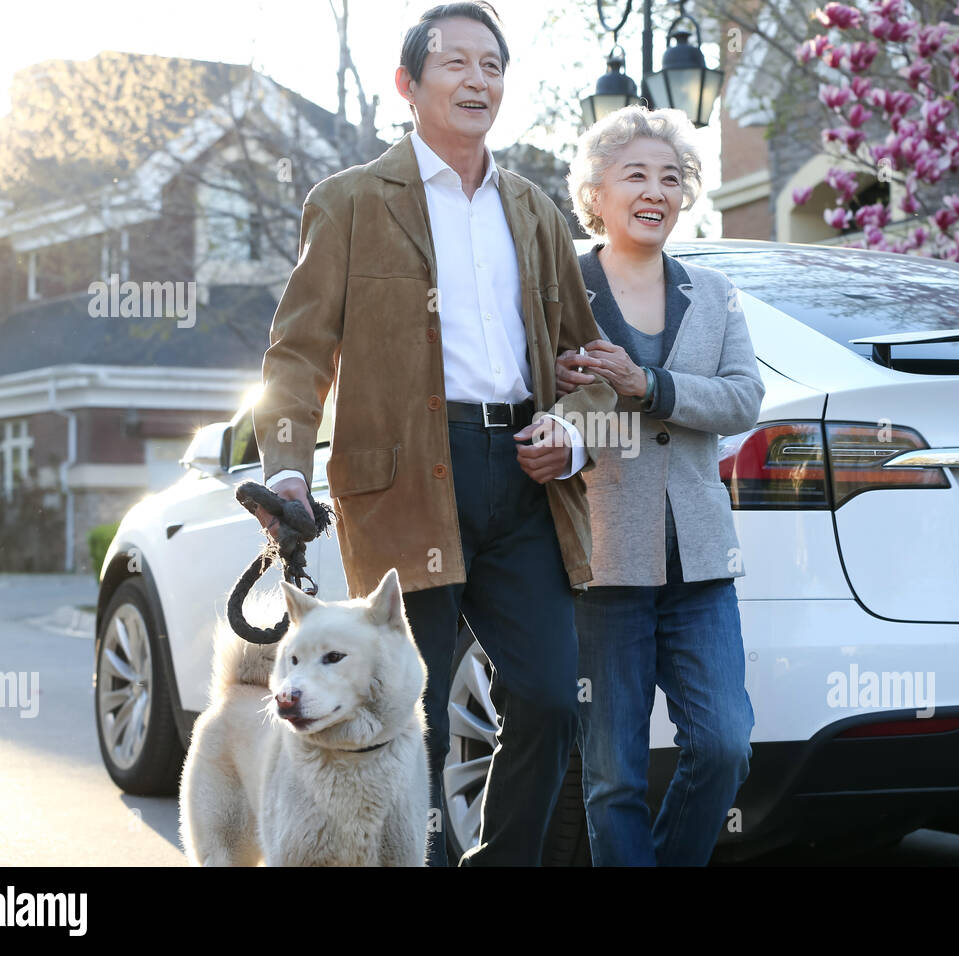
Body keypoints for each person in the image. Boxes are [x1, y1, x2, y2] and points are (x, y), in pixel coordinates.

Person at [252, 2, 616, 866]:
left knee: (549, 701)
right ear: (408, 83)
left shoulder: (532, 209)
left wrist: (573, 428)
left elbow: (589, 360)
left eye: (492, 65)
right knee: (405, 712)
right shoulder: (346, 202)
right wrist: (289, 471)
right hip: (405, 484)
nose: (478, 80)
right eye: (456, 63)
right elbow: (297, 353)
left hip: (524, 477)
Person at [555, 105, 764, 866]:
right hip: (601, 563)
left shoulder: (713, 294)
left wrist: (653, 384)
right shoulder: (561, 286)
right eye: (634, 175)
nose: (655, 190)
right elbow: (539, 404)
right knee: (613, 776)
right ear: (595, 194)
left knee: (725, 746)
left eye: (670, 178)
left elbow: (743, 399)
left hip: (702, 562)